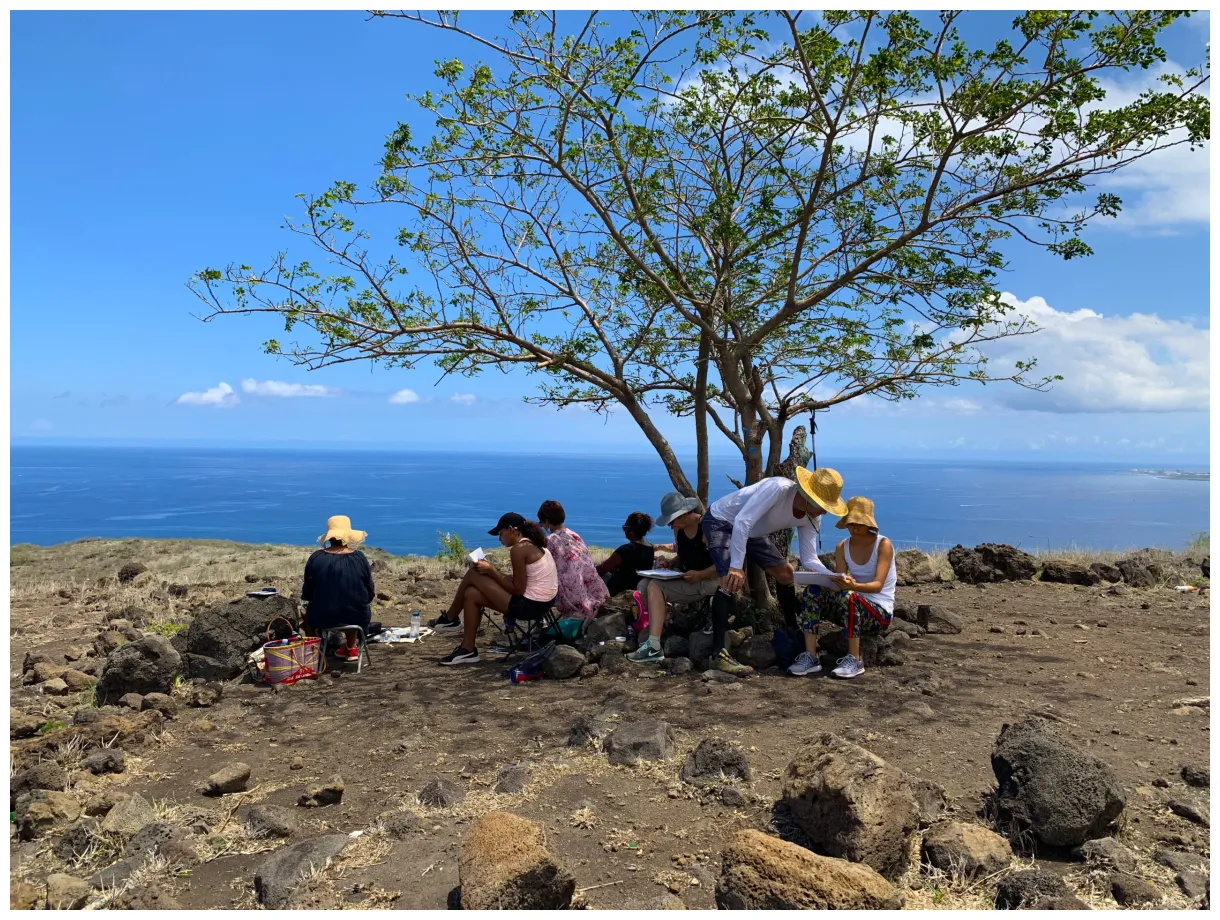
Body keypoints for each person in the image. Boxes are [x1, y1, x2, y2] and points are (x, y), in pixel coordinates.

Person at [701, 467, 849, 675]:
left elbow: (809, 558)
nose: (824, 512)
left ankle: (792, 632)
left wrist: (831, 578)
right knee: (729, 580)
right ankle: (718, 655)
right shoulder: (778, 489)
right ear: (808, 497)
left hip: (751, 531)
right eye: (822, 506)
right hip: (723, 520)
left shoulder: (812, 516)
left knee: (785, 574)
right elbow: (742, 521)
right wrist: (735, 566)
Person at [790, 496, 895, 680]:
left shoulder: (883, 545)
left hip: (878, 613)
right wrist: (822, 579)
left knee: (849, 596)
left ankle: (855, 659)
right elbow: (840, 583)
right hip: (850, 608)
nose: (854, 527)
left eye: (859, 523)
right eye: (851, 523)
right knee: (812, 592)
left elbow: (877, 585)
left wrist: (853, 586)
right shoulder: (842, 546)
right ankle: (811, 656)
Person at [432, 512, 558, 666]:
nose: (499, 539)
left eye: (500, 534)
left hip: (530, 607)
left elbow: (518, 589)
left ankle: (450, 618)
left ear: (511, 530)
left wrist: (491, 571)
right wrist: (491, 572)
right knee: (472, 594)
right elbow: (521, 581)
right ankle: (467, 649)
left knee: (473, 573)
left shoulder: (519, 549)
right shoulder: (534, 545)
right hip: (543, 605)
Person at [628, 493, 719, 664]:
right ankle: (660, 627)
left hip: (709, 580)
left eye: (672, 521)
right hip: (689, 577)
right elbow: (684, 555)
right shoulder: (680, 530)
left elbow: (723, 565)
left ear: (684, 514)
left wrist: (700, 575)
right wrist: (670, 563)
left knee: (655, 586)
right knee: (643, 585)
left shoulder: (706, 528)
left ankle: (654, 646)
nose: (670, 526)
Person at [301, 515, 375, 661]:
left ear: (329, 536)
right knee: (352, 602)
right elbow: (369, 592)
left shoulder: (316, 558)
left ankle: (314, 653)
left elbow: (307, 592)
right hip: (357, 617)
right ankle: (351, 647)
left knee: (307, 612)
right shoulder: (359, 558)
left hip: (322, 617)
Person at [537, 500, 609, 619]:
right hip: (594, 589)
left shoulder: (551, 541)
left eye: (541, 522)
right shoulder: (574, 535)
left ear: (547, 521)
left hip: (572, 594)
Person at [597, 512, 656, 596]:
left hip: (619, 591)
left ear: (630, 531)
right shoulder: (650, 548)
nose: (624, 531)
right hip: (638, 590)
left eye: (624, 528)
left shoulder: (625, 550)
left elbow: (602, 569)